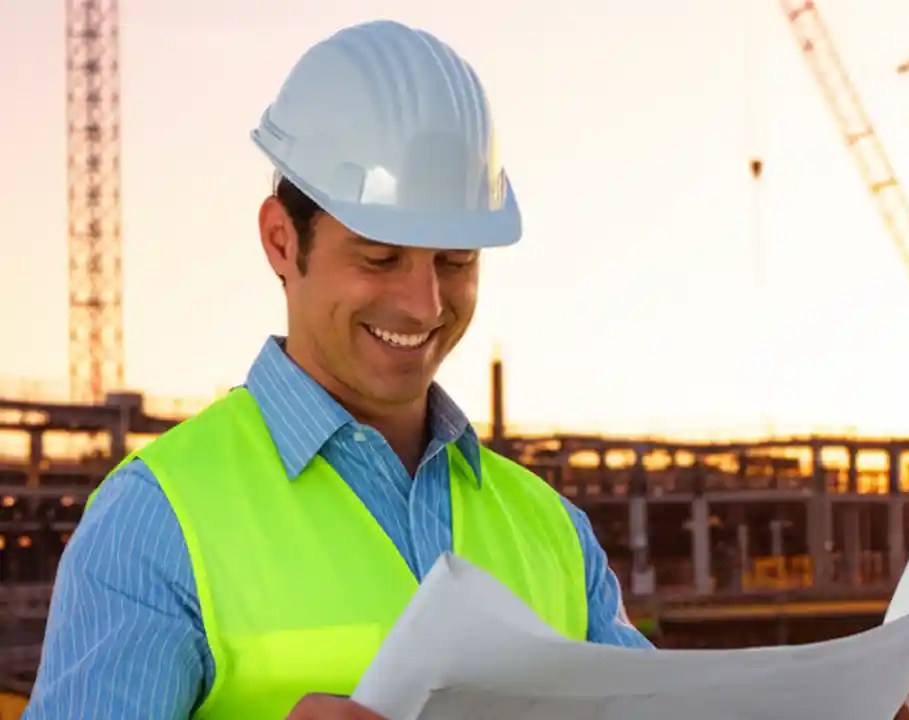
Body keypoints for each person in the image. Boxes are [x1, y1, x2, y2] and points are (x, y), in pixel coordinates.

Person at [24, 19, 652, 719]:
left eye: (456, 261)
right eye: (380, 258)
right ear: (281, 241)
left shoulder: (555, 534)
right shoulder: (155, 523)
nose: (424, 304)